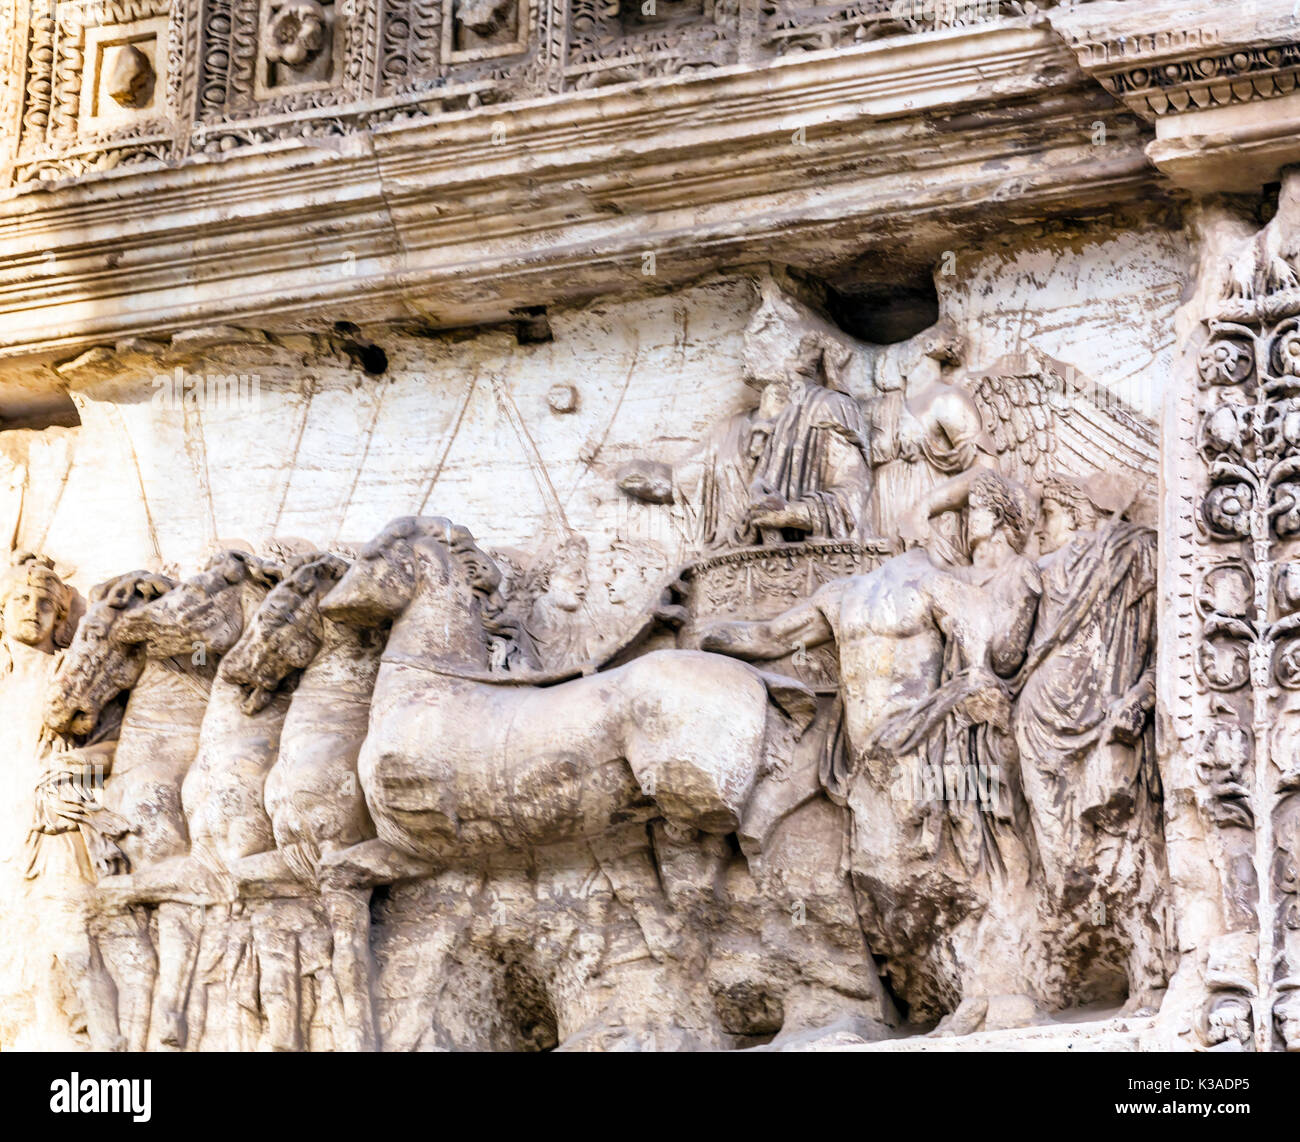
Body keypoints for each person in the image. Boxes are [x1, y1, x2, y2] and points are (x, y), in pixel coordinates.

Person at [1014, 472, 1172, 1008]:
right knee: (1074, 850)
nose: (1039, 531)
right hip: (1048, 722)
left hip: (1097, 718)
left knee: (1117, 835)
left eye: (1049, 516)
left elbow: (1008, 655)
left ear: (1079, 512)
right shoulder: (1054, 567)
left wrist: (1142, 695)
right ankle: (1076, 951)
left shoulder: (1130, 551)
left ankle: (1147, 967)